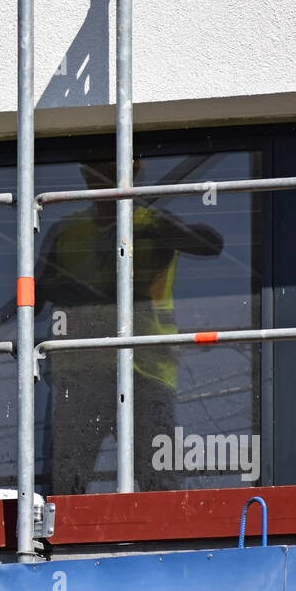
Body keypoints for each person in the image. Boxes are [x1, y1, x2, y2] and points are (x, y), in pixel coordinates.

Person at [39, 160, 223, 493]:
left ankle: (168, 539)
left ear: (134, 172)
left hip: (146, 369)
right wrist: (77, 290)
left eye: (115, 172)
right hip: (81, 369)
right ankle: (59, 539)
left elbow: (211, 243)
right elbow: (38, 294)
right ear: (86, 177)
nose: (105, 181)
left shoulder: (152, 222)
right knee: (68, 481)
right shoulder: (67, 232)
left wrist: (158, 229)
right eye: (100, 172)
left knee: (159, 477)